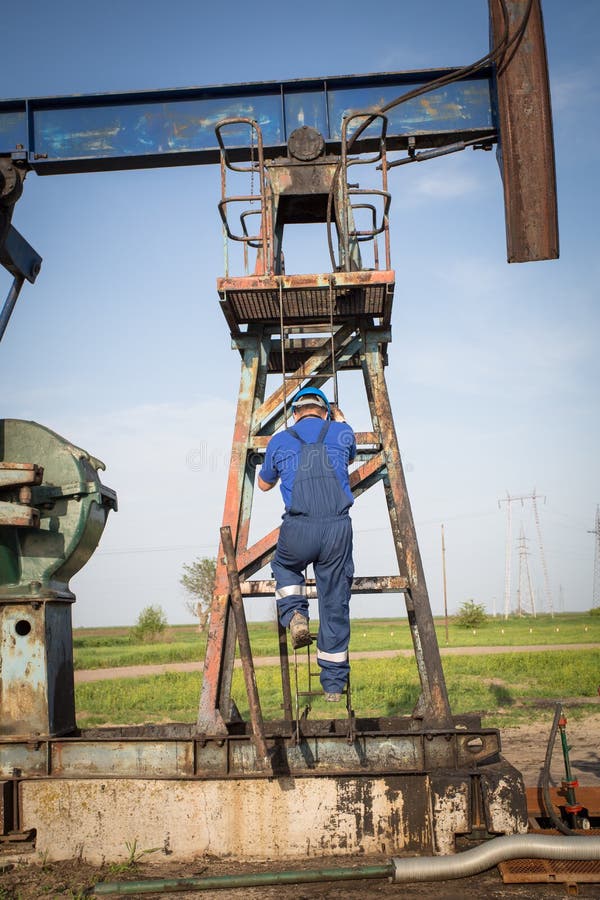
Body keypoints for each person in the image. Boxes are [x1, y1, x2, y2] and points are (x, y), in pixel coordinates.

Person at [257, 387, 356, 701]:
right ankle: (333, 684)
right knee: (335, 599)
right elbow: (350, 455)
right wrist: (340, 420)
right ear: (325, 411)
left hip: (298, 528)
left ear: (295, 413)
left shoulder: (280, 440)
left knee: (285, 566)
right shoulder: (342, 432)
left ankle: (295, 614)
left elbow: (263, 485)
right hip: (337, 530)